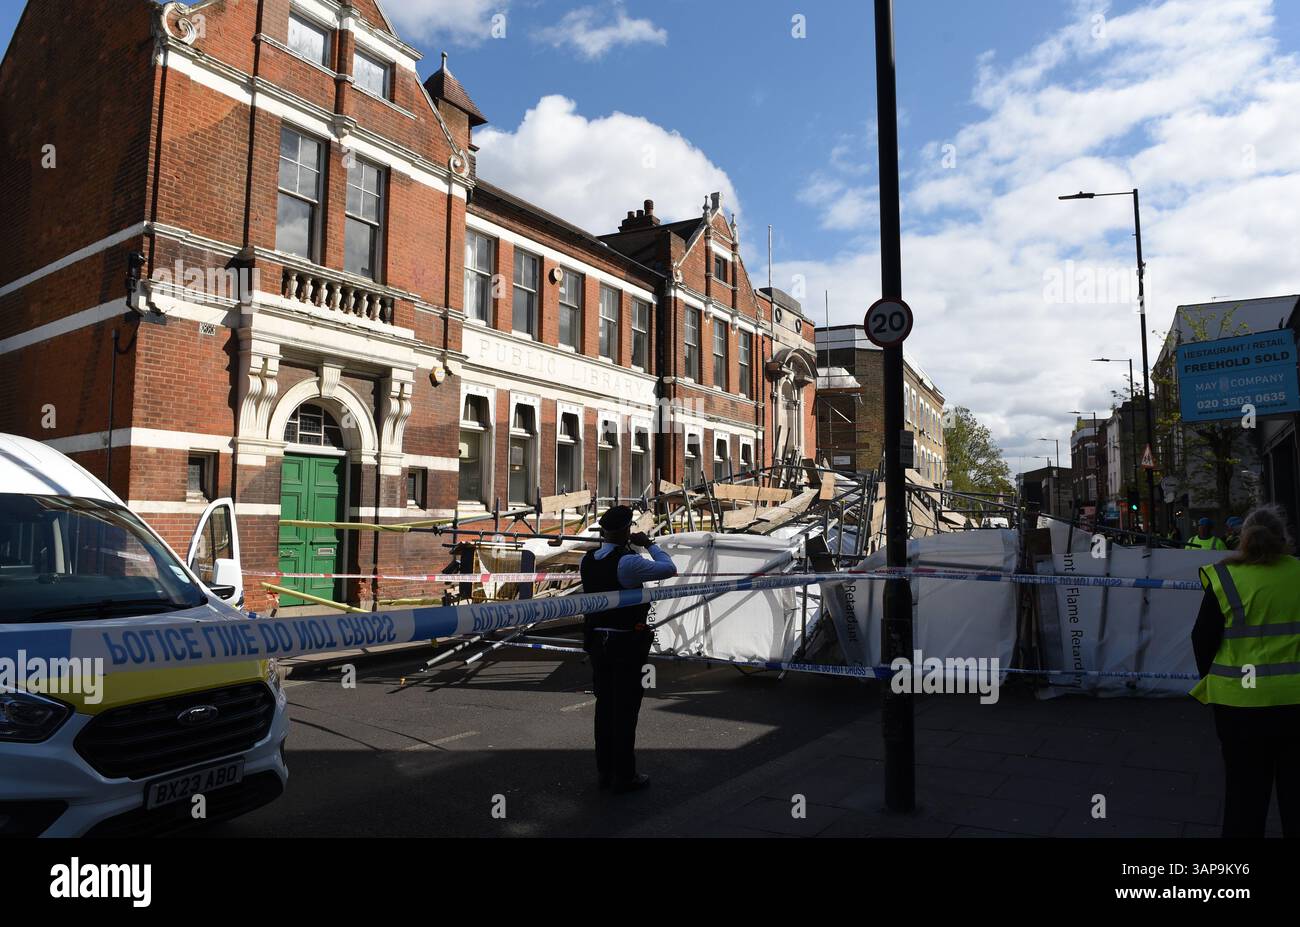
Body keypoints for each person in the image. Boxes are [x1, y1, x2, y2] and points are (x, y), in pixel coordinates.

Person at [1190, 504, 1300, 837]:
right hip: (1295, 704)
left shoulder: (1225, 577)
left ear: (1243, 538)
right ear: (1284, 538)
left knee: (1244, 801)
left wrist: (1216, 682)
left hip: (1240, 708)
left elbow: (1202, 639)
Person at [579, 505, 678, 793]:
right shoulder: (629, 562)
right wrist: (649, 544)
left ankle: (604, 770)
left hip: (597, 640)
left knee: (604, 707)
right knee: (625, 710)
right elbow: (669, 568)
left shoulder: (588, 560)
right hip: (624, 643)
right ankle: (625, 773)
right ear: (625, 531)